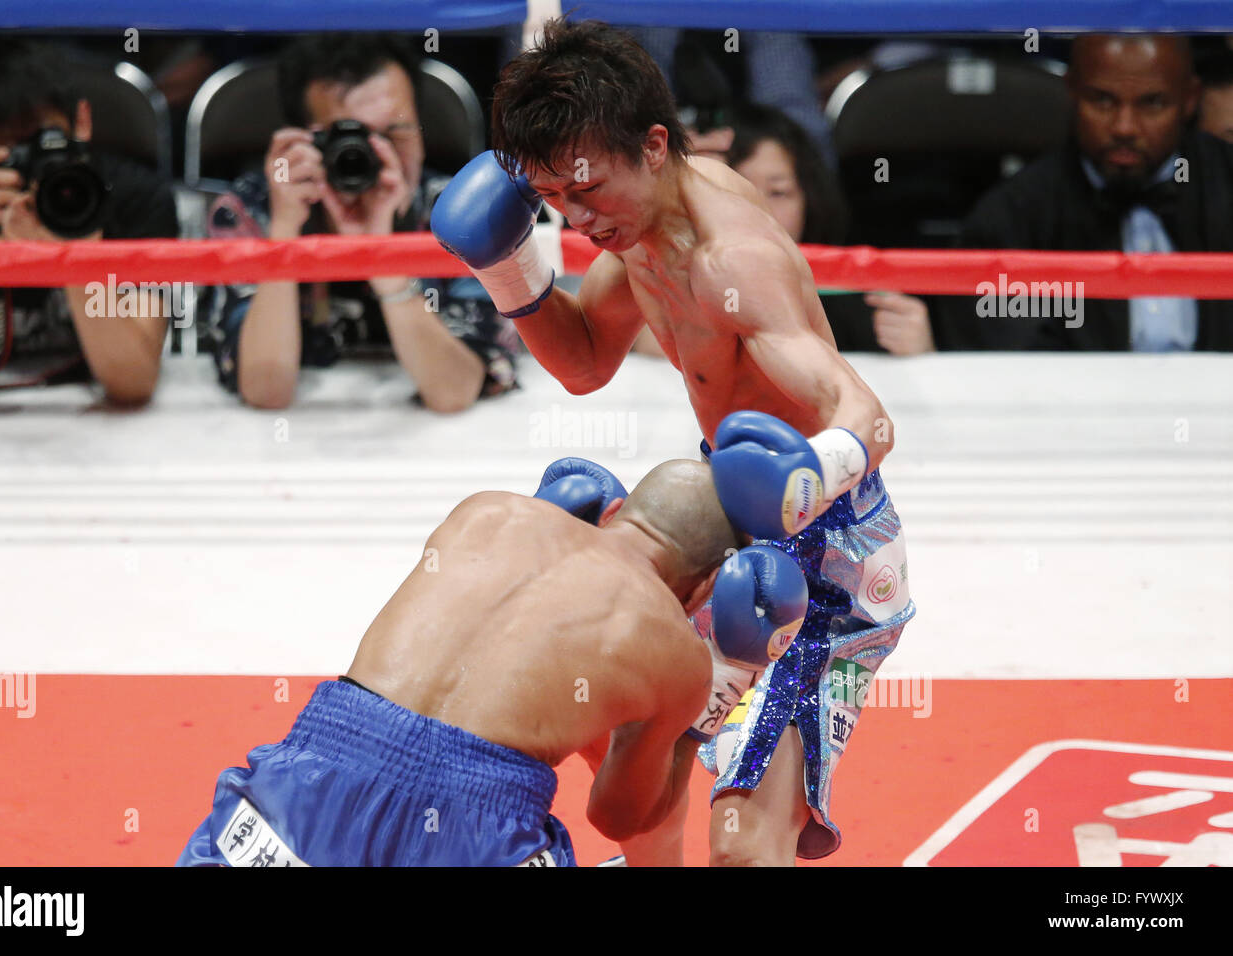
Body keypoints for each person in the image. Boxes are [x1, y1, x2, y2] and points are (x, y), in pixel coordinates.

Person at [434, 18, 915, 866]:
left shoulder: (731, 261)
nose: (577, 220)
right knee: (622, 723)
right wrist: (506, 268)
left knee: (741, 842)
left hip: (833, 548)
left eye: (588, 190)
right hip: (728, 515)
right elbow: (584, 363)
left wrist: (809, 474)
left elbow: (867, 416)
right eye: (555, 201)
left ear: (654, 146)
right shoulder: (643, 230)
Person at [178, 457, 809, 867]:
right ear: (703, 591)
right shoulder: (672, 649)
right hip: (474, 824)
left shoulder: (485, 512)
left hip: (317, 772)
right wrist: (718, 687)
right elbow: (618, 814)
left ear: (614, 511)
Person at [204, 33, 518, 411]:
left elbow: (455, 392)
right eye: (350, 138)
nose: (376, 154)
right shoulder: (253, 209)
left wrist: (381, 256)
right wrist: (284, 232)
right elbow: (266, 391)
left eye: (394, 133)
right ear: (302, 139)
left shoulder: (463, 213)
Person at [934, 34, 1233, 351]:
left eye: (1152, 103)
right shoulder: (1014, 215)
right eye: (1103, 100)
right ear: (1072, 91)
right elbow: (1010, 370)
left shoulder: (1225, 182)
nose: (1125, 127)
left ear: (1190, 99)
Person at [0, 38, 179, 412]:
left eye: (42, 148)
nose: (31, 173)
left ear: (81, 122)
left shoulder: (135, 199)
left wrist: (77, 258)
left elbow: (132, 382)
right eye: (8, 158)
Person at [724, 101, 936, 356]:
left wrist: (921, 355)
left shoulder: (859, 307)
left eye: (778, 192)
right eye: (736, 189)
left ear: (809, 202)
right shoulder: (670, 295)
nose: (761, 210)